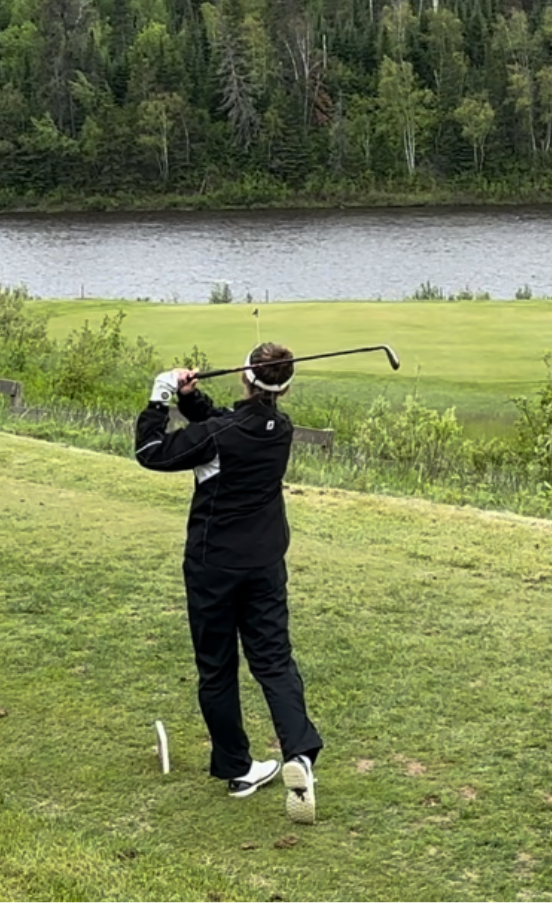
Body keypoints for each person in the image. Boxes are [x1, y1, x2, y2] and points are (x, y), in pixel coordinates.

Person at [134, 342, 323, 824]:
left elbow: (151, 452)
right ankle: (299, 755)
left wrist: (160, 401)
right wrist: (190, 400)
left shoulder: (219, 435)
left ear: (246, 376)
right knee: (274, 661)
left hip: (213, 565)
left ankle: (238, 768)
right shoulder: (279, 429)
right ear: (285, 386)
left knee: (217, 668)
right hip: (263, 563)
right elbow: (220, 423)